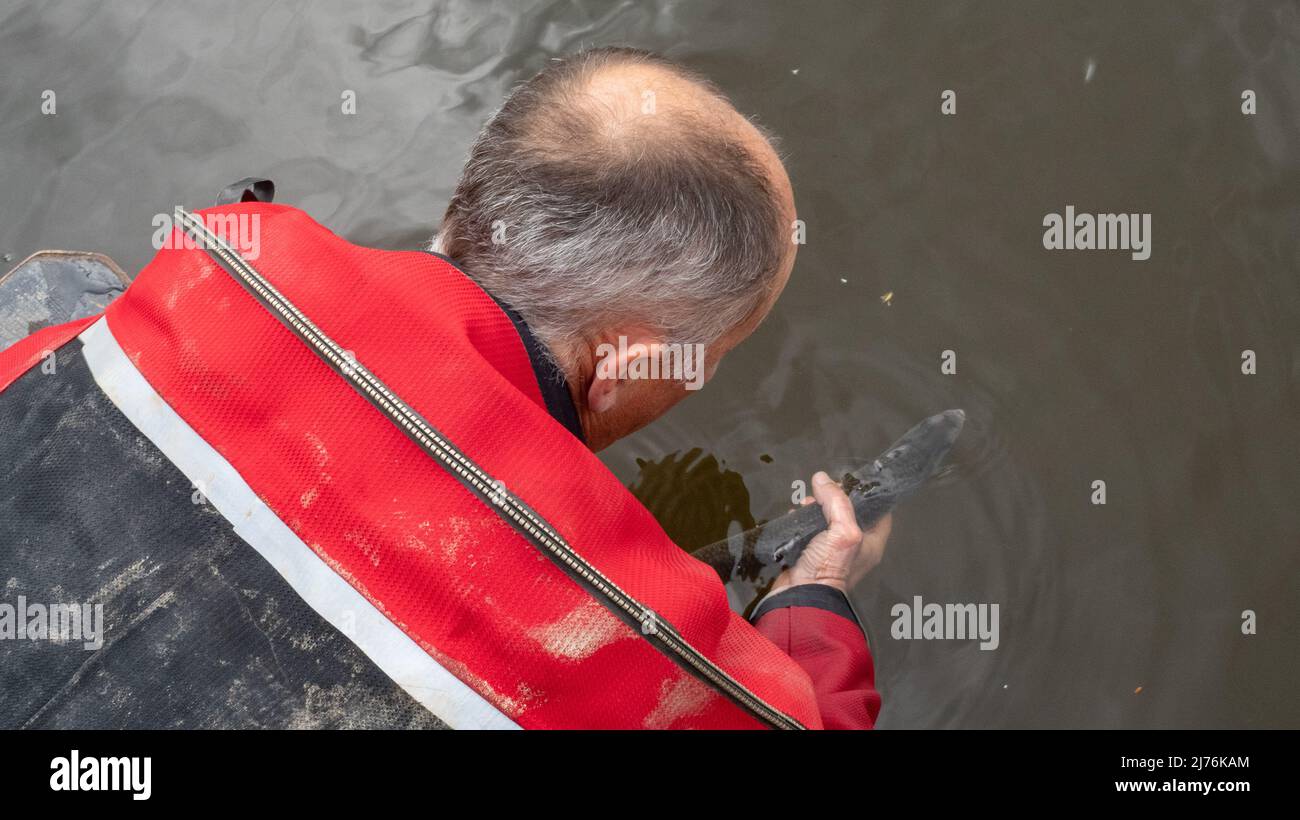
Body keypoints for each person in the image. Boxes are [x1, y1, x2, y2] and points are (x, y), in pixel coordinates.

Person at [0, 47, 887, 729]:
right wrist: (810, 610)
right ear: (626, 369)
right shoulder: (634, 635)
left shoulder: (209, 271)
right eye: (714, 354)